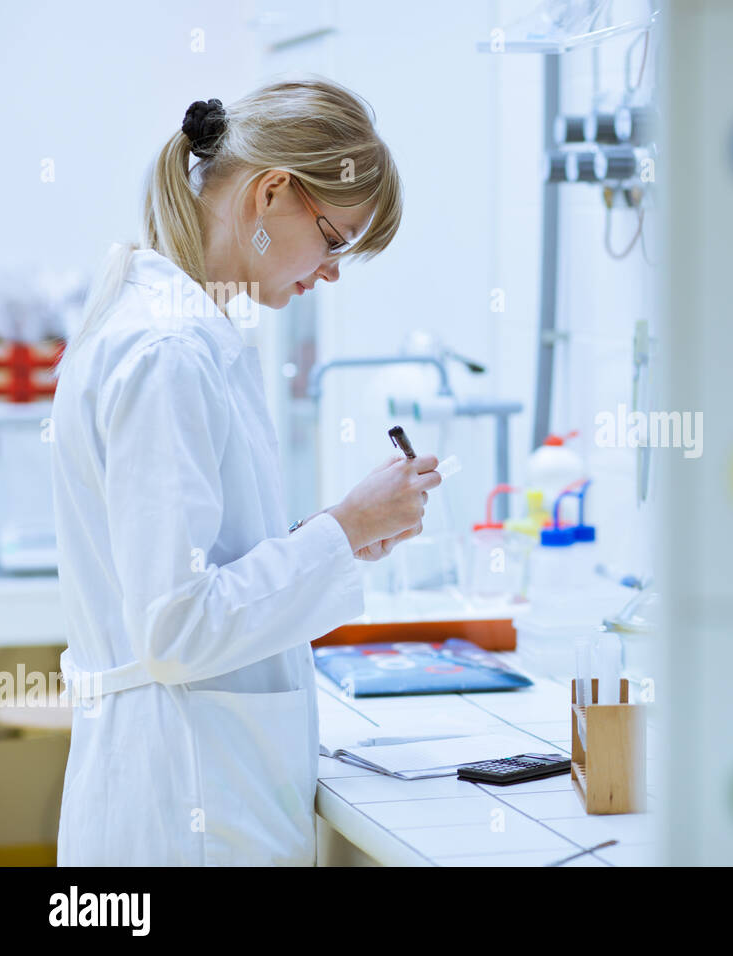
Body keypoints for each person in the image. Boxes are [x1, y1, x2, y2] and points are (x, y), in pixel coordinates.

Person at [49, 77, 436, 865]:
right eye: (335, 239)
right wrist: (341, 528)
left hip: (191, 776)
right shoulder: (168, 353)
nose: (332, 272)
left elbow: (198, 575)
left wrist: (337, 541)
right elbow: (177, 629)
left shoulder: (188, 335)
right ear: (271, 194)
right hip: (179, 797)